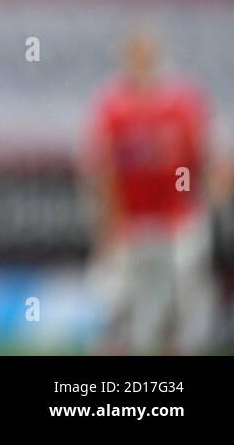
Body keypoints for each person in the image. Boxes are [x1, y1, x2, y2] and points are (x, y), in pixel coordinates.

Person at [82, 27, 227, 353]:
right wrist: (108, 223)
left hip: (176, 220)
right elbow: (101, 171)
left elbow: (199, 160)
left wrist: (192, 201)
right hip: (132, 222)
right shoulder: (112, 108)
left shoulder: (182, 105)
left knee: (180, 305)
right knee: (120, 306)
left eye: (147, 52)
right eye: (135, 53)